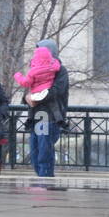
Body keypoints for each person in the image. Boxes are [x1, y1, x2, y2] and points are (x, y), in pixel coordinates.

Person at [26, 38, 69, 177]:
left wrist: (36, 97)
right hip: (36, 116)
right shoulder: (35, 70)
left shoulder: (60, 71)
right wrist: (28, 98)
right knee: (34, 151)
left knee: (44, 152)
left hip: (49, 116)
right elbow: (27, 92)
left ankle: (45, 180)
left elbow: (56, 91)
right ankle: (41, 177)